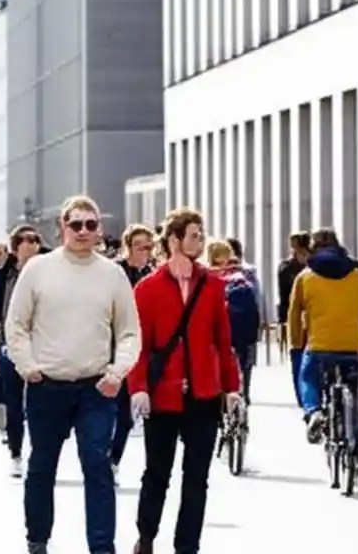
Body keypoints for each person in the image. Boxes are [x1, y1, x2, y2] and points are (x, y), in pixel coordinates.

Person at [4, 195, 141, 554]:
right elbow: (16, 324)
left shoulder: (112, 275)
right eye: (75, 224)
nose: (83, 231)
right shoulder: (38, 269)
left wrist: (117, 372)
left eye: (90, 224)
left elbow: (129, 332)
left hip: (95, 388)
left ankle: (101, 547)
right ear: (62, 226)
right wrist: (28, 366)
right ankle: (37, 541)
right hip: (46, 386)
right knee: (41, 467)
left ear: (100, 230)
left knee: (97, 467)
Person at [126, 207, 244, 554]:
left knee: (197, 478)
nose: (200, 240)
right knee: (157, 474)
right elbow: (140, 346)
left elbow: (224, 342)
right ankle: (146, 536)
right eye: (193, 234)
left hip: (204, 395)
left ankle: (187, 546)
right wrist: (139, 388)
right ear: (174, 240)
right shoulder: (147, 289)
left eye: (201, 233)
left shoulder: (211, 286)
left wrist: (232, 388)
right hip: (162, 396)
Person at [288, 227, 358, 444]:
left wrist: (296, 344)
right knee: (354, 386)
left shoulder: (305, 277)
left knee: (307, 376)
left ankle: (314, 411)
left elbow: (294, 313)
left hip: (319, 347)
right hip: (351, 346)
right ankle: (355, 434)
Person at [0, 224, 47, 477]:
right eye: (25, 240)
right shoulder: (5, 275)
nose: (31, 244)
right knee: (13, 402)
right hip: (11, 346)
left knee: (40, 405)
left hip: (43, 347)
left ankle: (39, 454)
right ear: (15, 247)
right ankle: (15, 452)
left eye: (35, 239)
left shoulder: (51, 273)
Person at [110, 223, 156, 481]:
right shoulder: (116, 272)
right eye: (140, 247)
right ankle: (105, 458)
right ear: (128, 247)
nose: (145, 252)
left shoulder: (152, 274)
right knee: (112, 410)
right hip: (114, 351)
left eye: (149, 247)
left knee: (127, 414)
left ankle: (113, 460)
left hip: (142, 352)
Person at [210, 239, 262, 403]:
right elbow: (258, 301)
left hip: (219, 338)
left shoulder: (206, 278)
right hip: (244, 335)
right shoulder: (245, 276)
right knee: (243, 370)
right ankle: (243, 400)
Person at [277, 232, 311, 406]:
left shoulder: (311, 268)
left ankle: (305, 395)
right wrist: (283, 320)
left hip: (308, 318)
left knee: (301, 356)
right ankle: (302, 397)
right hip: (296, 318)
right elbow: (284, 298)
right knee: (297, 356)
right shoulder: (286, 268)